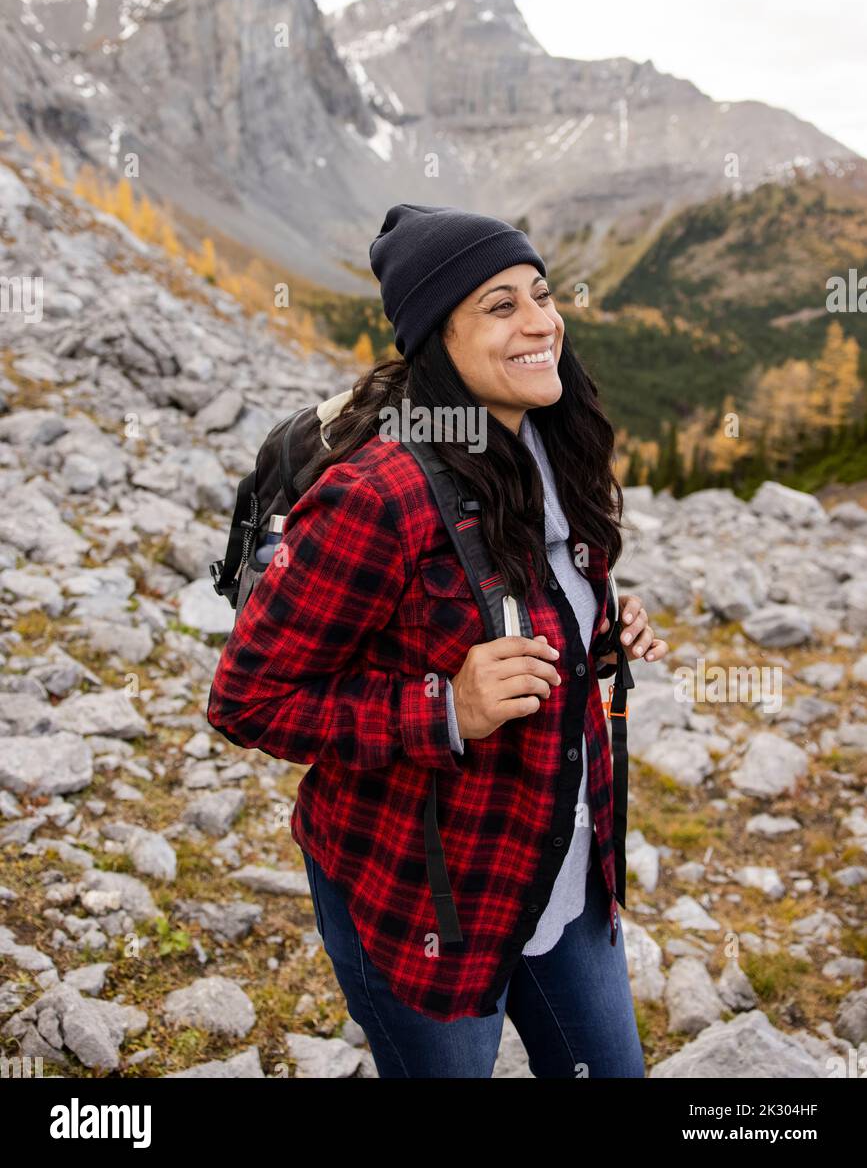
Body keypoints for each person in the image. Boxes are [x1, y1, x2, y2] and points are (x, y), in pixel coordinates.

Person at [207, 203, 669, 1078]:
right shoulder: (377, 493)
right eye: (499, 307)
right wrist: (444, 706)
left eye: (539, 293)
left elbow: (531, 605)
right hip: (425, 902)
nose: (542, 322)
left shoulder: (553, 441)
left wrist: (598, 630)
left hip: (564, 869)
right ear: (436, 340)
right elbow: (247, 700)